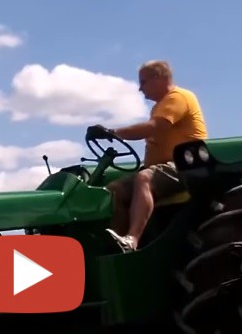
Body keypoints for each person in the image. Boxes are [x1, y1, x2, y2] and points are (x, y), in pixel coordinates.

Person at [87, 59, 208, 252]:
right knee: (114, 189)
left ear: (158, 77)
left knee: (144, 178)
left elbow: (156, 127)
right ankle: (114, 240)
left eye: (143, 82)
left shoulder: (178, 97)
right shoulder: (159, 106)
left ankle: (132, 239)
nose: (140, 89)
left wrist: (112, 132)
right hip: (163, 167)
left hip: (186, 164)